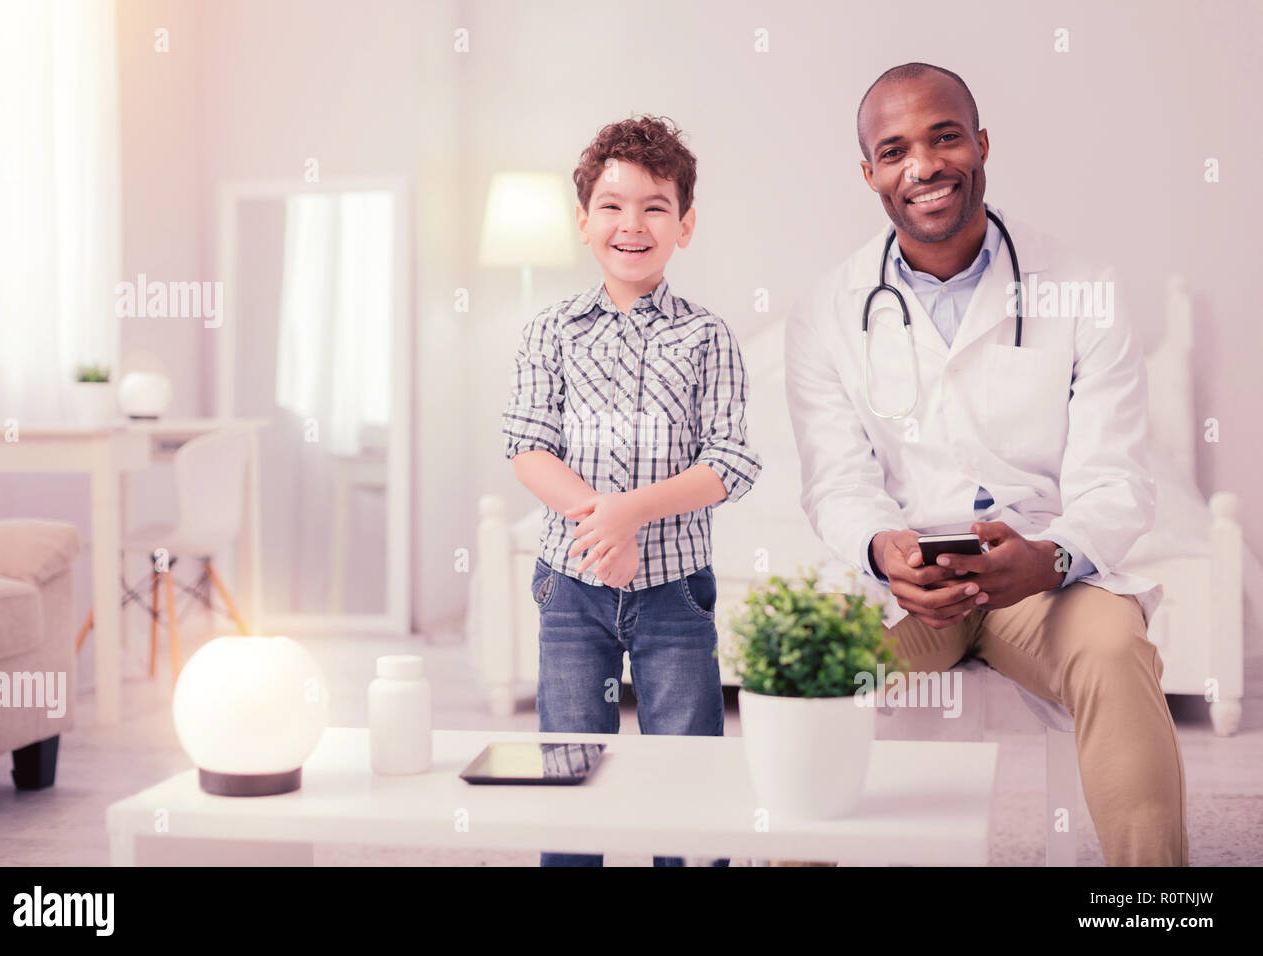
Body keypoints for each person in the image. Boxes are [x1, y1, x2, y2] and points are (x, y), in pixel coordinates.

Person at [785, 63, 1187, 866]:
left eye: (945, 137)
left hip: (1044, 578)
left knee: (1115, 652)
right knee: (810, 673)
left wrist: (1050, 558)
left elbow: (1117, 479)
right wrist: (882, 549)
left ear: (981, 144)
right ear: (870, 174)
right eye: (894, 150)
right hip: (904, 587)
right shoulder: (827, 310)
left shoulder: (1083, 289)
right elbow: (836, 481)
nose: (924, 165)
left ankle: (1155, 909)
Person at [502, 114, 762, 866]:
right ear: (583, 223)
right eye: (612, 205)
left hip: (675, 593)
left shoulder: (707, 336)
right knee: (571, 771)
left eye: (655, 206)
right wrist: (598, 529)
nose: (632, 223)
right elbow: (527, 448)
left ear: (684, 224)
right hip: (571, 588)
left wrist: (627, 515)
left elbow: (731, 463)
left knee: (687, 776)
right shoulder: (548, 332)